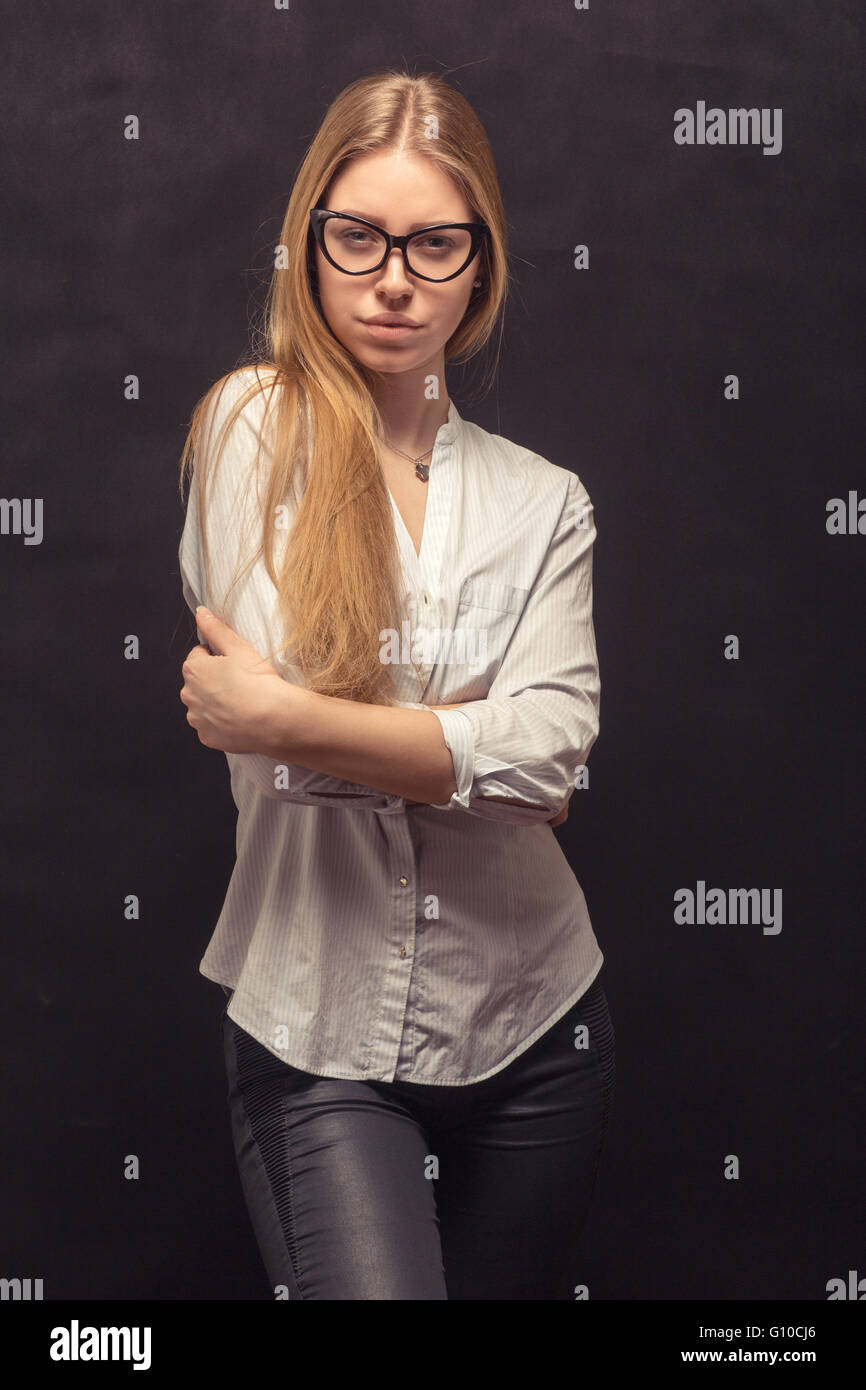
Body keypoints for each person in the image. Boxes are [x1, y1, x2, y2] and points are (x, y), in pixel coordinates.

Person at [177, 66, 615, 1300]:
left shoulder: (544, 502)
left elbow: (553, 755)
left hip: (537, 1026)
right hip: (318, 1038)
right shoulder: (251, 429)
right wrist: (481, 753)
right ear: (308, 240)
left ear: (479, 265)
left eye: (434, 244)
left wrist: (304, 717)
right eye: (357, 234)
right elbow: (283, 760)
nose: (391, 277)